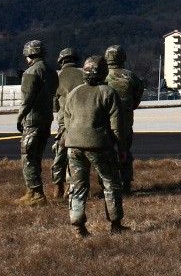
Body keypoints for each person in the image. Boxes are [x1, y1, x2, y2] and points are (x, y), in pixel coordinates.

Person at [60, 54, 126, 237]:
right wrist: (121, 148)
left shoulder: (74, 93)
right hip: (99, 146)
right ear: (104, 72)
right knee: (110, 183)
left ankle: (78, 227)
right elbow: (116, 126)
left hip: (74, 145)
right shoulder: (108, 93)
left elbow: (66, 120)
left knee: (77, 186)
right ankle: (115, 223)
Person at [15, 39, 58, 205]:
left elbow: (27, 99)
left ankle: (36, 193)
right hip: (46, 119)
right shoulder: (52, 72)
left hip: (32, 120)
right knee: (36, 155)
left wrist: (20, 117)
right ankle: (32, 192)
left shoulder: (31, 72)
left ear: (29, 54)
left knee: (28, 157)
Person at [103, 44, 145, 192]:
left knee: (105, 153)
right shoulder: (130, 76)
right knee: (125, 150)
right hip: (125, 121)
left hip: (104, 121)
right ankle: (126, 183)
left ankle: (107, 184)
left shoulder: (103, 76)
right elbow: (137, 97)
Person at [50, 47, 87, 198]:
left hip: (65, 124)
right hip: (83, 122)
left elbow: (54, 105)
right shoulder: (84, 75)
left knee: (60, 155)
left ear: (61, 61)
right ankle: (71, 186)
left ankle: (57, 186)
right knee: (77, 156)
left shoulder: (57, 78)